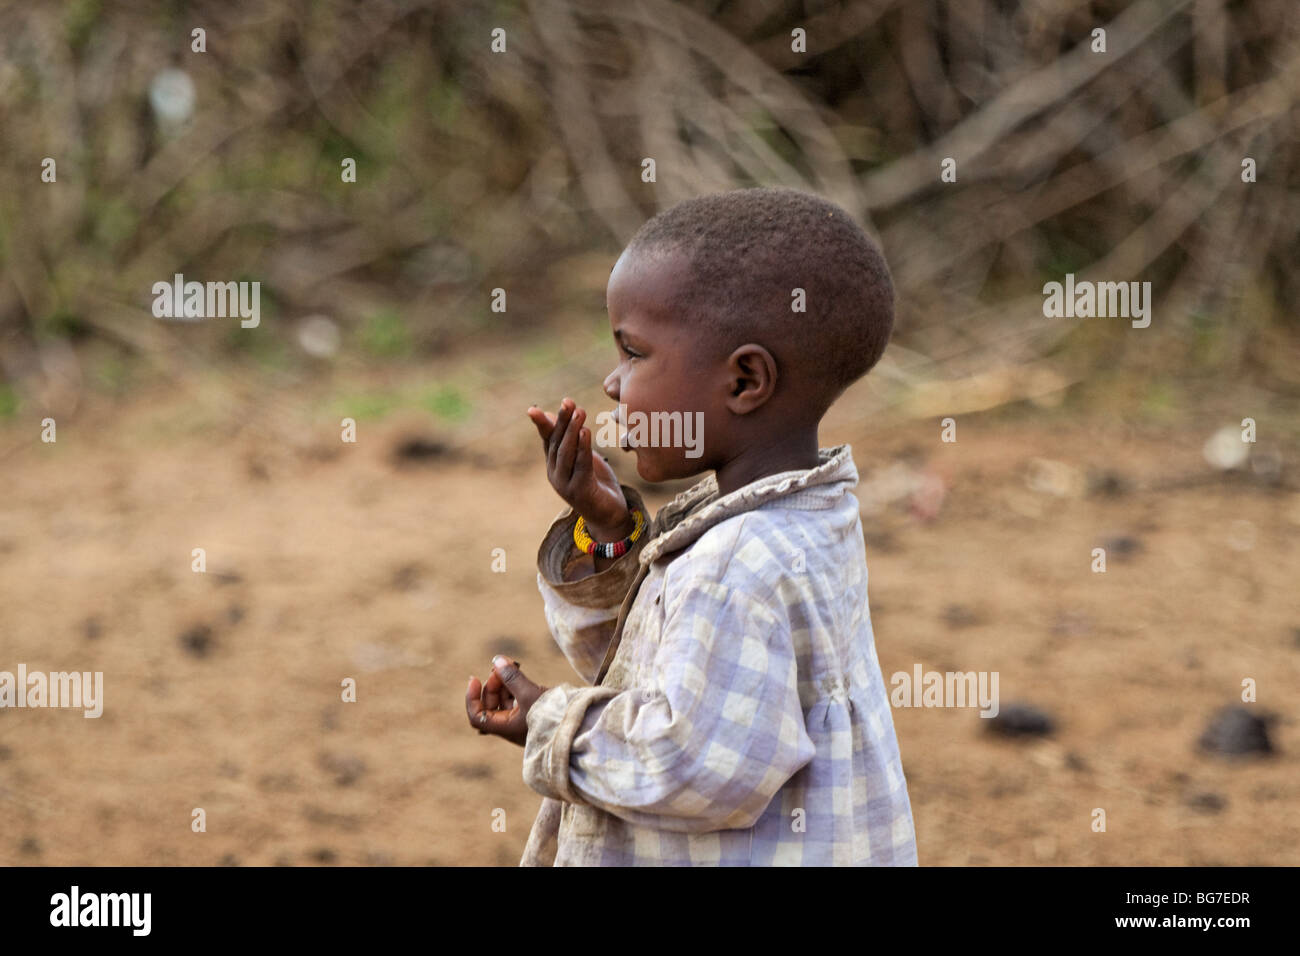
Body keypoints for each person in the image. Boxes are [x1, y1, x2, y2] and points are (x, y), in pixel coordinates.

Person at [466, 185, 917, 866]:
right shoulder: (804, 518)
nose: (613, 385)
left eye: (634, 353)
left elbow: (690, 766)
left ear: (743, 382)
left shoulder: (740, 560)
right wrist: (609, 531)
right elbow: (665, 673)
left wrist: (547, 722)